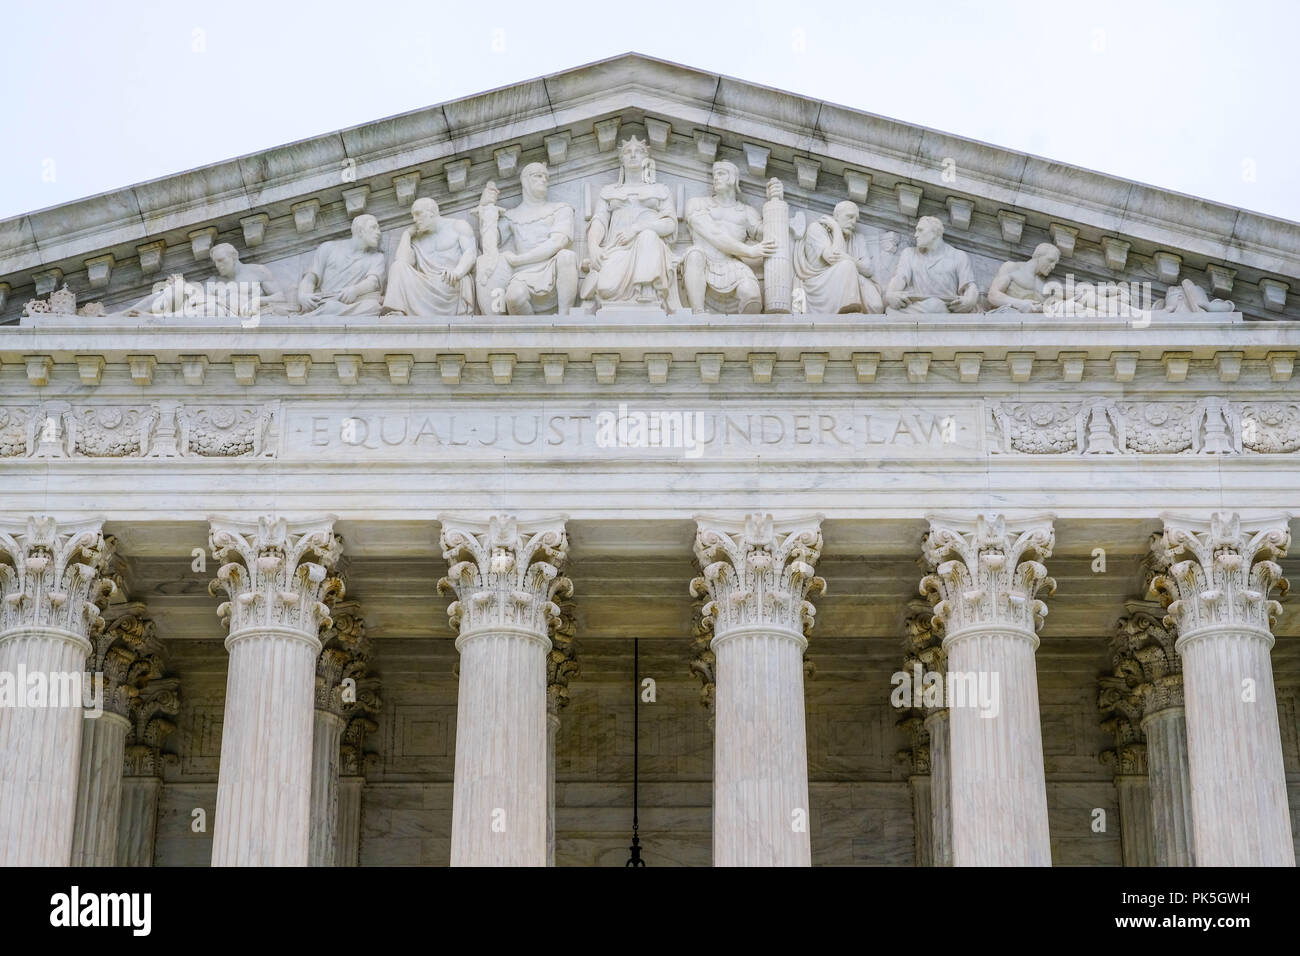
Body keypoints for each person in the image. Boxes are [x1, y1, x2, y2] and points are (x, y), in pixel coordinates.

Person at [681, 160, 775, 313]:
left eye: (721, 174)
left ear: (733, 178)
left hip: (732, 265)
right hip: (703, 262)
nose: (715, 178)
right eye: (714, 175)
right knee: (695, 254)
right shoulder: (697, 204)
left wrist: (775, 200)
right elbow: (713, 234)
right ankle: (698, 314)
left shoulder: (746, 212)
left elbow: (769, 233)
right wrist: (749, 251)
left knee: (751, 295)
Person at [382, 198, 477, 315]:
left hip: (450, 283)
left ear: (432, 212)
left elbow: (470, 253)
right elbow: (402, 262)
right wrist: (406, 235)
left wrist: (457, 273)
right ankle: (396, 312)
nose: (414, 219)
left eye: (418, 214)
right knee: (397, 266)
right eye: (413, 216)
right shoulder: (417, 238)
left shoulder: (458, 226)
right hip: (424, 285)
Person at [793, 200, 883, 313]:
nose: (854, 222)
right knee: (847, 266)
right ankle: (849, 310)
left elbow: (868, 269)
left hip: (849, 279)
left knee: (877, 306)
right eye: (850, 217)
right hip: (819, 283)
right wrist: (836, 228)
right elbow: (834, 258)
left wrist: (847, 258)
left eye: (856, 219)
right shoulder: (816, 228)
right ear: (836, 216)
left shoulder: (858, 238)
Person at [885, 216, 979, 313]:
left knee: (935, 306)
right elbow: (899, 278)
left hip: (947, 307)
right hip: (916, 308)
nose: (915, 235)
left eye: (920, 230)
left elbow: (970, 286)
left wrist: (971, 300)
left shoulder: (958, 256)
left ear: (935, 233)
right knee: (890, 311)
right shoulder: (909, 253)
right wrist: (890, 294)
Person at [298, 215, 386, 315]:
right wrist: (303, 295)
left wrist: (355, 291)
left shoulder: (377, 257)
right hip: (325, 301)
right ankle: (326, 311)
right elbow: (311, 277)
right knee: (330, 306)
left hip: (352, 305)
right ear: (360, 231)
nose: (379, 233)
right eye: (373, 228)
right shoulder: (328, 248)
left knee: (373, 307)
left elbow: (373, 282)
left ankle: (328, 312)